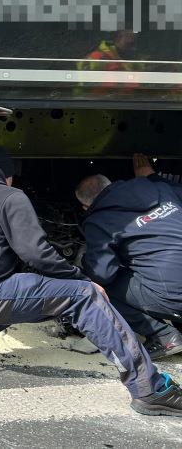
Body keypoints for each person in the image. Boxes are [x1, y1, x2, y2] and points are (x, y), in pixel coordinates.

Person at [0, 145, 181, 417]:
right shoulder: (7, 196)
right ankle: (149, 388)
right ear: (8, 175)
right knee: (84, 296)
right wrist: (82, 280)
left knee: (36, 293)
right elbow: (36, 253)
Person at [75, 154, 182, 359]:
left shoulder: (99, 220)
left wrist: (84, 266)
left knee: (101, 288)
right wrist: (153, 177)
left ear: (86, 207)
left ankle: (164, 336)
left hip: (175, 296)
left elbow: (102, 274)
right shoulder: (158, 188)